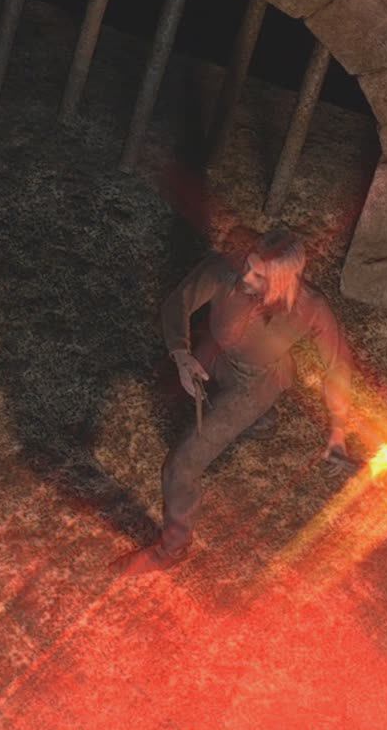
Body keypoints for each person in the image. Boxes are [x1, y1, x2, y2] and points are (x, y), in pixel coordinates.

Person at [113, 227, 351, 575]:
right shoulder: (223, 270)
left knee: (181, 464)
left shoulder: (310, 308)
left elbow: (337, 366)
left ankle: (172, 549)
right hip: (218, 356)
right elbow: (178, 303)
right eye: (248, 265)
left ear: (283, 282)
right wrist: (181, 355)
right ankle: (260, 419)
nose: (246, 277)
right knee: (188, 376)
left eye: (259, 276)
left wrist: (339, 429)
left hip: (256, 383)